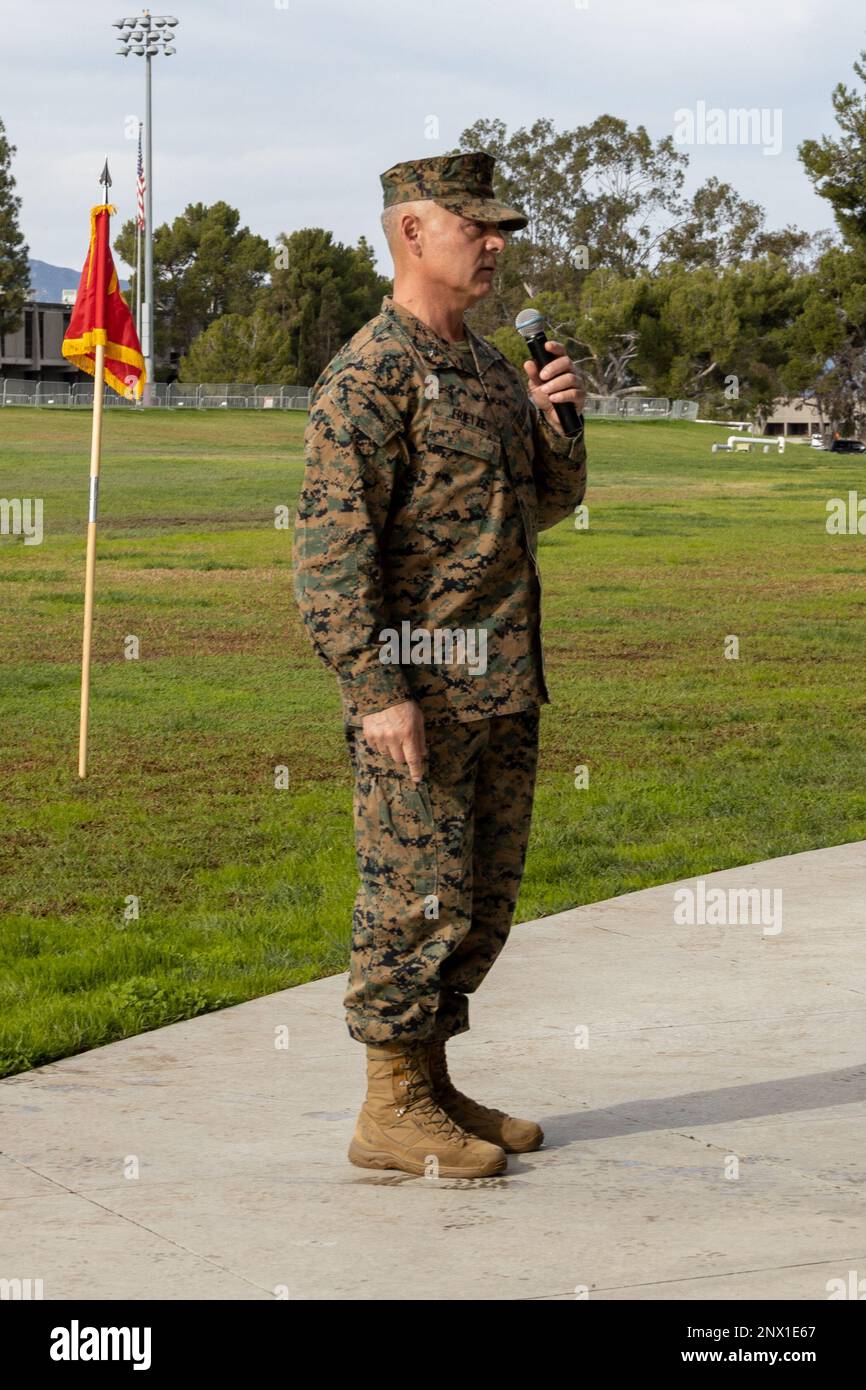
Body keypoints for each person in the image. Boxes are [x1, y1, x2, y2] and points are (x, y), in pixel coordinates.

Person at [293, 151, 587, 1178]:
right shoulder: (368, 375)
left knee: (474, 900)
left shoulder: (488, 368)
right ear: (413, 231)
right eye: (476, 227)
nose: (496, 245)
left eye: (501, 228)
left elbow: (542, 506)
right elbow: (330, 558)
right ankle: (389, 1108)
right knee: (411, 898)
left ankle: (430, 1080)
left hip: (501, 681)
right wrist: (376, 693)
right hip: (419, 689)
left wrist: (559, 420)